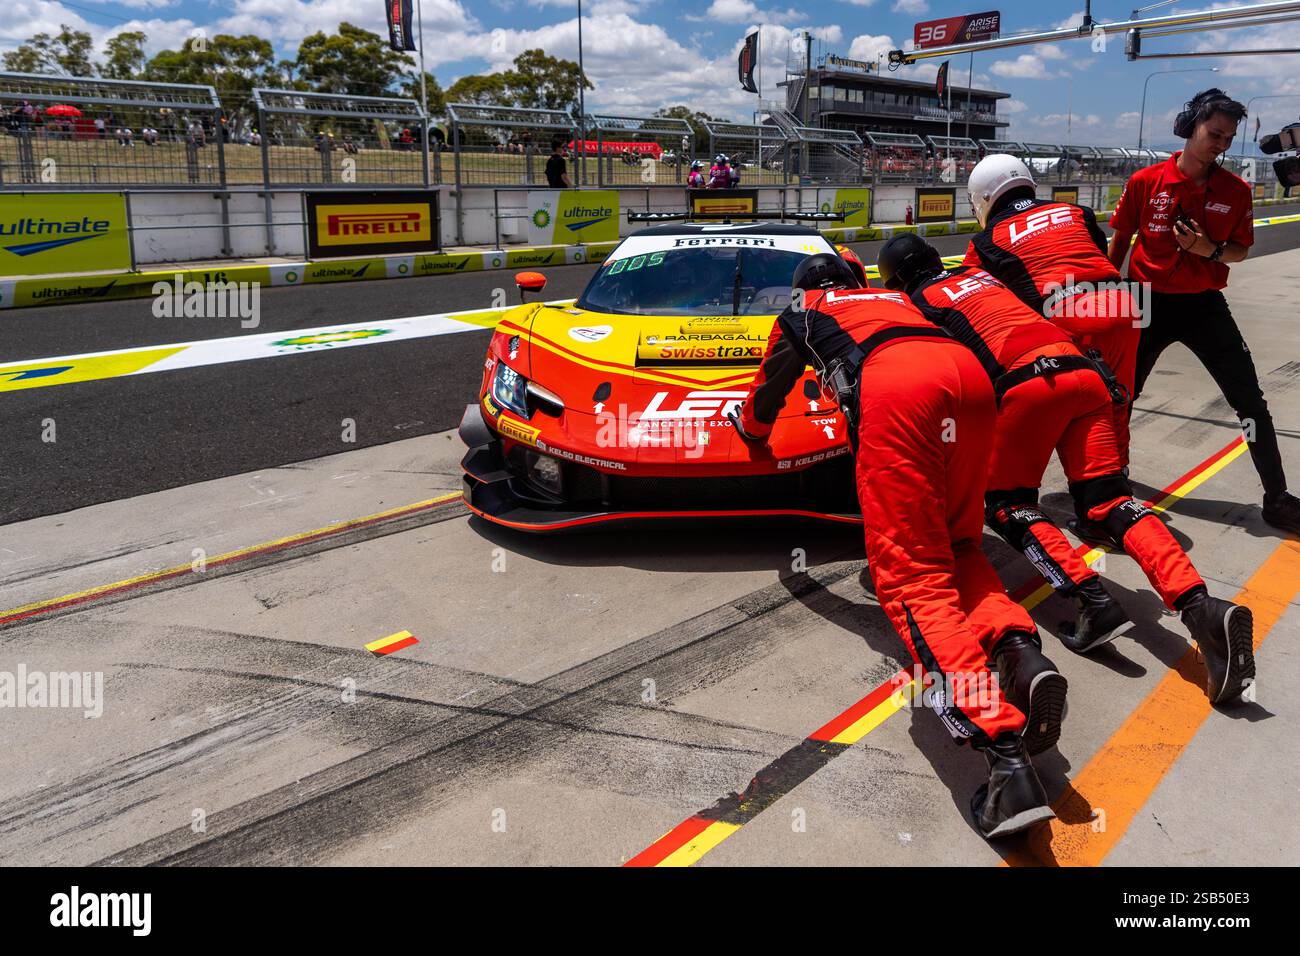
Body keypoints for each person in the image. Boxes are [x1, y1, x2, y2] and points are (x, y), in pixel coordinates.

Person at [730, 253, 1063, 838]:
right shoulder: (898, 299)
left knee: (912, 576)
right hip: (970, 386)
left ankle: (1004, 754)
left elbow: (767, 397)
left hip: (899, 392)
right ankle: (1017, 649)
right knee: (960, 546)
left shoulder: (804, 310)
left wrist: (750, 431)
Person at [879, 234, 1256, 704]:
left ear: (895, 281)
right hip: (1083, 369)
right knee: (1110, 502)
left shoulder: (917, 304)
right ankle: (1202, 606)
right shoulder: (979, 276)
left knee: (1008, 505)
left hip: (1025, 383)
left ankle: (1093, 602)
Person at [1109, 88, 1300, 534]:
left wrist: (1207, 249)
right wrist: (1108, 293)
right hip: (1144, 301)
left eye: (1229, 138)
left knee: (1250, 402)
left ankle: (1277, 498)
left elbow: (1239, 252)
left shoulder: (1235, 191)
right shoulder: (1144, 182)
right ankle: (1110, 482)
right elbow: (1118, 243)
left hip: (1203, 306)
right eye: (1214, 133)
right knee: (1119, 397)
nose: (1221, 144)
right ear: (1189, 126)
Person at [961, 154, 1140, 492]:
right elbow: (1097, 253)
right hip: (1126, 307)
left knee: (1077, 411)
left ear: (983, 198)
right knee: (1116, 401)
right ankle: (1119, 482)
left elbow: (975, 297)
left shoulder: (985, 241)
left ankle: (1097, 500)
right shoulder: (1077, 212)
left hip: (1070, 316)